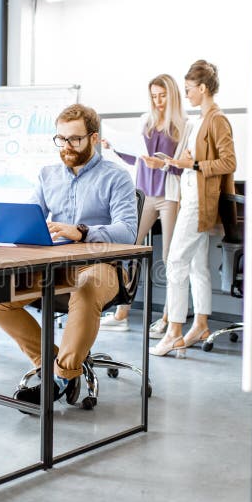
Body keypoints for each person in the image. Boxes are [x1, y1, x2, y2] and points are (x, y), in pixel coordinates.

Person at [0, 103, 137, 406]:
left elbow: (128, 231)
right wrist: (12, 227)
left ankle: (60, 379)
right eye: (61, 139)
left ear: (94, 138)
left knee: (86, 287)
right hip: (54, 265)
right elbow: (33, 219)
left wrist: (82, 232)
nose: (67, 146)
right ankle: (50, 363)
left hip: (101, 264)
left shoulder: (116, 177)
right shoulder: (47, 175)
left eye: (75, 139)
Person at [150, 60, 236, 358]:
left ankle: (174, 331)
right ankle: (200, 324)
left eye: (188, 89)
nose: (185, 94)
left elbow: (229, 162)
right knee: (198, 265)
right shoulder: (199, 120)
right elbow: (191, 164)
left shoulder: (217, 119)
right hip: (190, 196)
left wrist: (194, 164)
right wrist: (174, 163)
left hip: (200, 202)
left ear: (203, 88)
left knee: (175, 262)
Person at [100, 74, 187, 337]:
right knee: (129, 247)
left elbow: (185, 167)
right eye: (154, 96)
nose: (158, 101)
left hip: (170, 196)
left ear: (172, 95)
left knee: (170, 257)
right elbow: (137, 157)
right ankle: (122, 313)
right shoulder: (145, 121)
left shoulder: (183, 125)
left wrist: (164, 164)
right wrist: (114, 147)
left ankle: (168, 319)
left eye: (162, 96)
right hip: (145, 194)